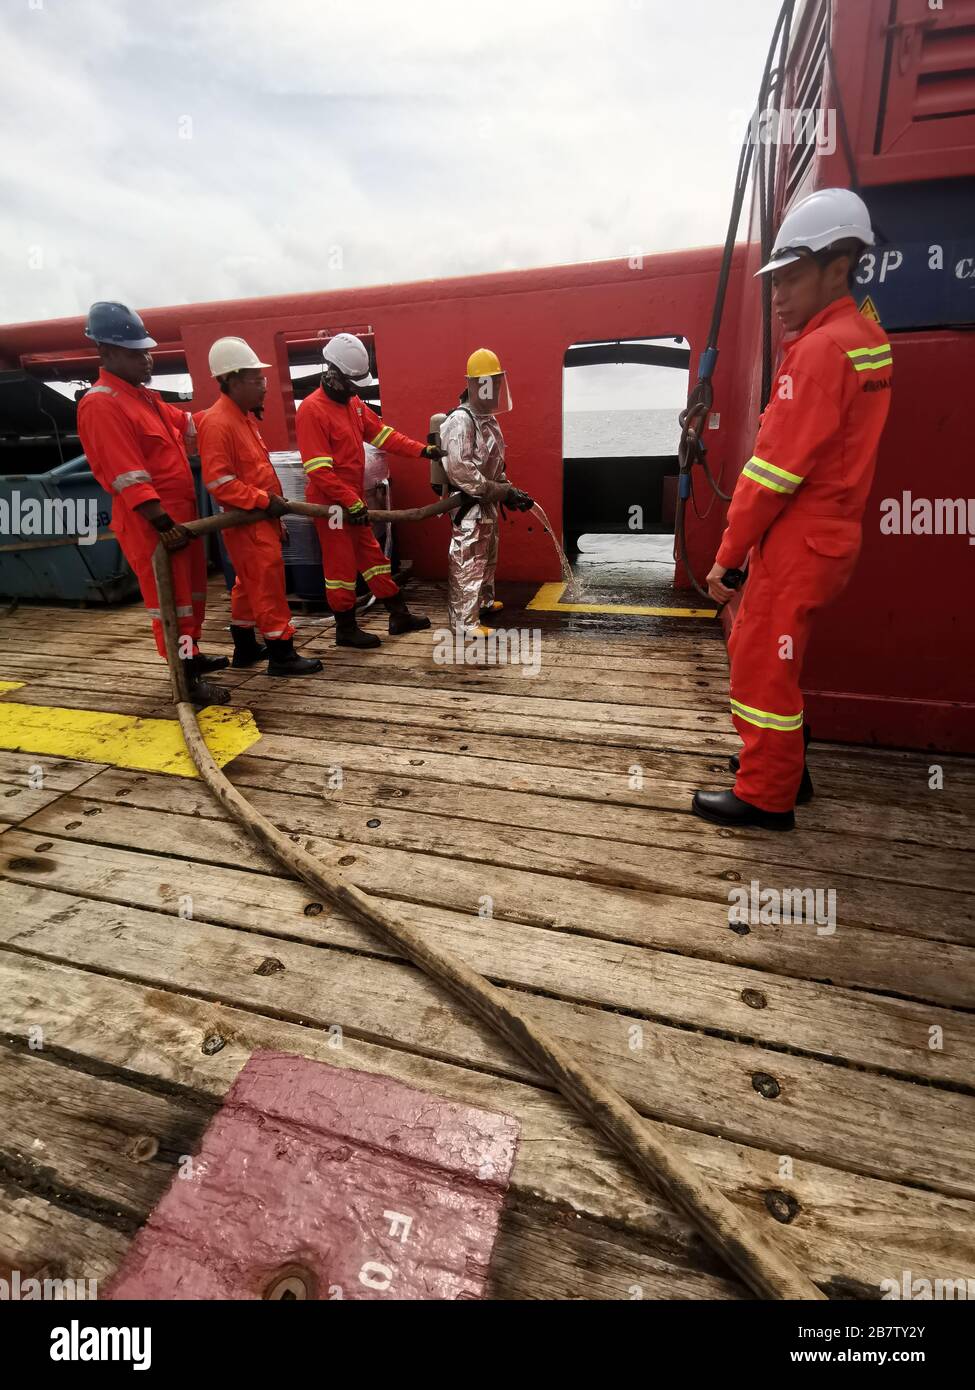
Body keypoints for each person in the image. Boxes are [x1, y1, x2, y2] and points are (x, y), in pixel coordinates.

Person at [693, 188, 893, 832]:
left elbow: (770, 475)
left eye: (791, 277)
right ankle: (785, 765)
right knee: (783, 655)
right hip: (830, 538)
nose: (777, 295)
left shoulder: (815, 354)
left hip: (797, 540)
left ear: (839, 265)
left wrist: (726, 558)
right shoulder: (866, 338)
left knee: (760, 665)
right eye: (774, 280)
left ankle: (765, 794)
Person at [76, 301, 229, 706]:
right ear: (105, 353)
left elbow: (191, 426)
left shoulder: (144, 399)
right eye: (134, 352)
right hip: (153, 523)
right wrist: (161, 523)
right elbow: (126, 474)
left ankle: (190, 655)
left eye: (146, 350)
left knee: (192, 593)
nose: (147, 359)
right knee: (170, 600)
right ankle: (185, 680)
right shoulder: (102, 403)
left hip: (179, 518)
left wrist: (231, 405)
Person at [295, 332, 440, 648]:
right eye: (351, 383)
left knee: (373, 557)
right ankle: (345, 629)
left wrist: (422, 451)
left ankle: (398, 614)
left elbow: (384, 435)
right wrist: (349, 501)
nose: (354, 389)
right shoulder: (311, 410)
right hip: (330, 505)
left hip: (352, 500)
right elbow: (319, 471)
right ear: (333, 374)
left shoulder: (354, 405)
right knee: (340, 567)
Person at [197, 337, 322, 677]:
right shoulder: (219, 422)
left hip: (259, 517)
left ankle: (246, 646)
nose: (265, 387)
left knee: (248, 583)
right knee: (267, 583)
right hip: (248, 519)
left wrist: (273, 515)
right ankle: (282, 653)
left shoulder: (242, 418)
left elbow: (255, 473)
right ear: (233, 381)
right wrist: (265, 502)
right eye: (257, 380)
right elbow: (219, 482)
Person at [440, 349, 533, 636]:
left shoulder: (488, 419)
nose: (494, 390)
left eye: (497, 382)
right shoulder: (461, 421)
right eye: (489, 383)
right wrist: (501, 492)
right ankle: (464, 622)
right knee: (468, 559)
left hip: (488, 501)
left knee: (487, 555)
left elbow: (494, 464)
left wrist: (510, 489)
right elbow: (461, 470)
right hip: (470, 504)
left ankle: (482, 602)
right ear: (475, 385)